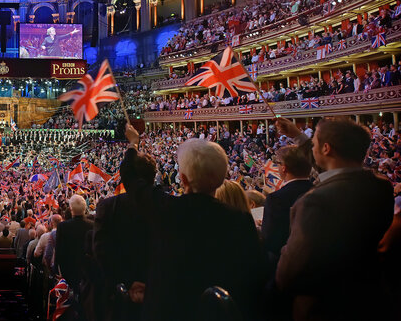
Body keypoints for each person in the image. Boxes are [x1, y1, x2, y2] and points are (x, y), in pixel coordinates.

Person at [276, 118, 394, 321]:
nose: (312, 148)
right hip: (369, 299)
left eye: (314, 144)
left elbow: (289, 272)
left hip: (324, 307)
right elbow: (338, 173)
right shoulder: (381, 187)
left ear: (326, 149)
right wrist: (298, 136)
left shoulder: (314, 202)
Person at [141, 139, 267, 320]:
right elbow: (255, 276)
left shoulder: (166, 212)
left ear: (183, 179)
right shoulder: (240, 219)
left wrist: (133, 144)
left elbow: (136, 185)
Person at [93, 124, 161, 321]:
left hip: (117, 295)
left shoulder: (108, 207)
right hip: (157, 292)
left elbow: (102, 252)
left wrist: (126, 283)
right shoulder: (165, 205)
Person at [261, 144, 313, 269]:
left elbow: (271, 241)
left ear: (284, 168)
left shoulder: (276, 199)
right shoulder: (321, 191)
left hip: (286, 265)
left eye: (277, 163)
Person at [54, 195, 92, 293]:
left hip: (69, 271)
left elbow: (59, 250)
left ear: (71, 209)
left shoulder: (63, 226)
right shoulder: (92, 225)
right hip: (88, 272)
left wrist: (57, 269)